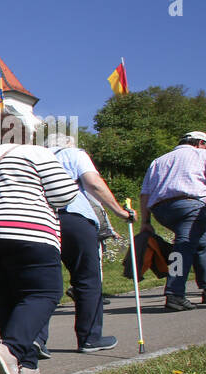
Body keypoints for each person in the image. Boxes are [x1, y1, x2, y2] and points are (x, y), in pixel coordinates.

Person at [0, 113, 77, 374]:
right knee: (43, 293)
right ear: (24, 133)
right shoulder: (36, 153)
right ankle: (9, 349)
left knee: (7, 299)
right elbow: (64, 193)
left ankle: (25, 369)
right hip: (28, 232)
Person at [37, 135, 134, 351]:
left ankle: (36, 339)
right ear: (67, 144)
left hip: (40, 220)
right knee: (87, 278)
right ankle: (90, 337)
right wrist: (120, 212)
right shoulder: (74, 154)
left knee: (41, 282)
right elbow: (93, 183)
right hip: (73, 217)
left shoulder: (35, 159)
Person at [139, 130, 206, 311]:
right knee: (183, 247)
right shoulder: (204, 154)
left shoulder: (159, 161)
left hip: (161, 210)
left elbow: (145, 194)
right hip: (190, 206)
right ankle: (174, 294)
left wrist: (146, 221)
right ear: (201, 143)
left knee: (200, 243)